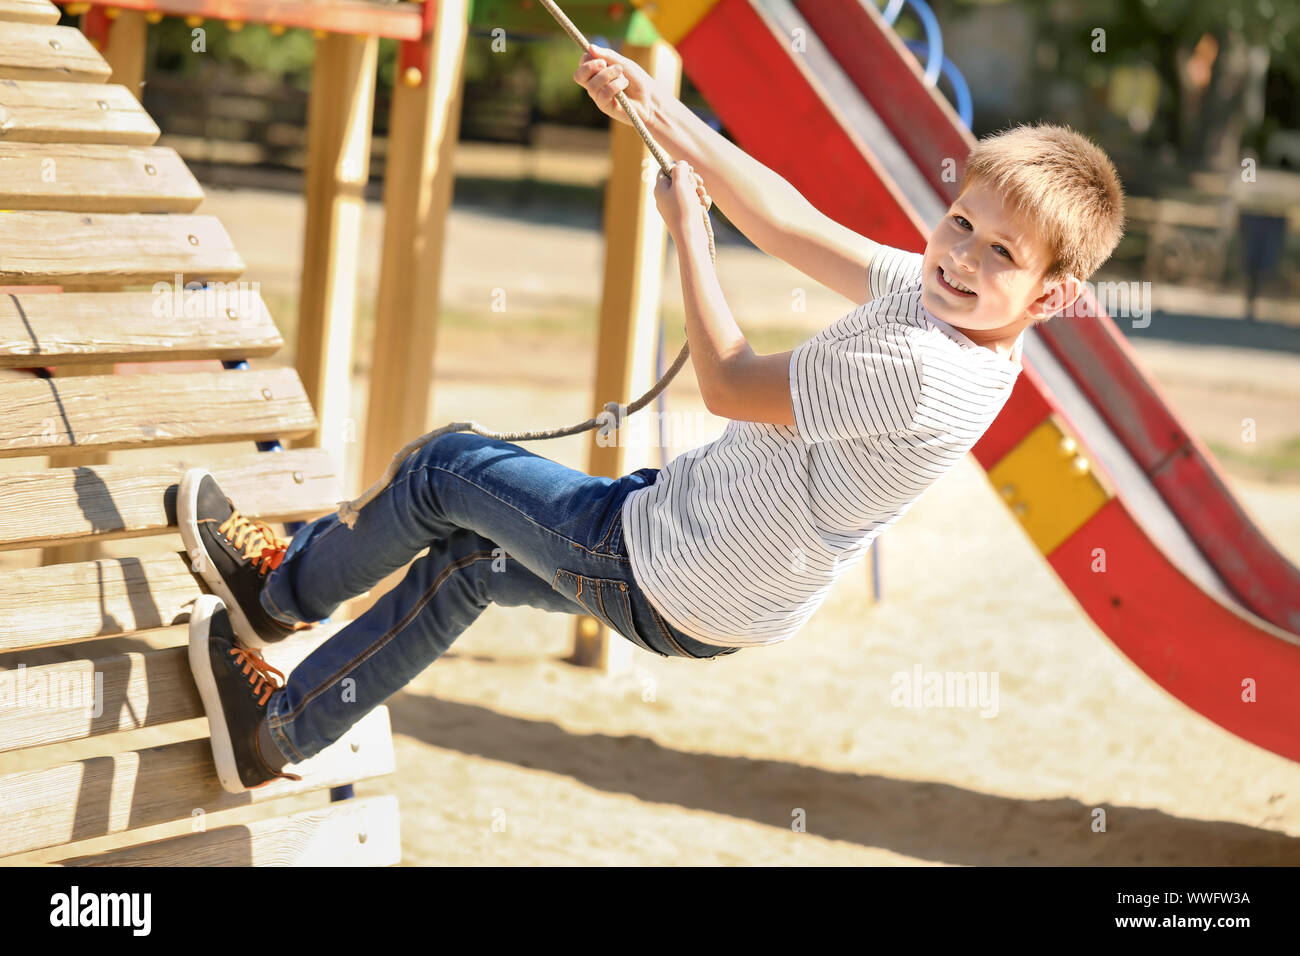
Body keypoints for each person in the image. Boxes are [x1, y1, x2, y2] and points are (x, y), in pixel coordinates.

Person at [183, 42, 1124, 793]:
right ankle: (279, 733)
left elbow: (725, 383)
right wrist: (659, 112)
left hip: (671, 565)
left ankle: (278, 591)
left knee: (445, 468)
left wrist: (688, 236)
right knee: (467, 563)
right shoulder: (956, 308)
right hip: (706, 578)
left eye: (1000, 252)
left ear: (1049, 295)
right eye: (960, 221)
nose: (961, 256)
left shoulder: (922, 366)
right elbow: (792, 224)